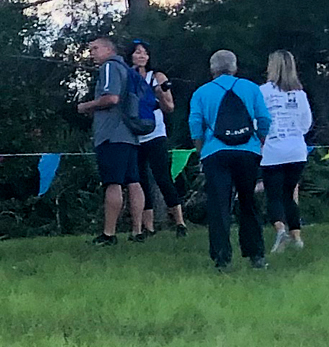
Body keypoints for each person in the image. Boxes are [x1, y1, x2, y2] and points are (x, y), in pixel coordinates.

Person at [186, 50, 273, 271]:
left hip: (215, 153)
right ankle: (256, 255)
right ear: (235, 68)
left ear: (212, 69)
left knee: (219, 205)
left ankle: (222, 258)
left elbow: (195, 126)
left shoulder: (201, 93)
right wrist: (258, 141)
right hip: (248, 151)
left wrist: (202, 151)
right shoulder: (251, 87)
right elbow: (264, 118)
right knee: (248, 203)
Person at [78, 36, 143, 246]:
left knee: (112, 183)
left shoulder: (109, 68)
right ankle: (137, 231)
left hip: (112, 135)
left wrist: (86, 106)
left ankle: (108, 234)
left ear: (108, 49)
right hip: (131, 134)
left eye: (95, 48)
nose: (92, 53)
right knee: (134, 182)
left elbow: (111, 98)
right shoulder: (128, 70)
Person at [127, 39, 187, 239]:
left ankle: (179, 222)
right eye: (137, 52)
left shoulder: (157, 77)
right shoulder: (127, 77)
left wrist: (159, 94)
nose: (141, 56)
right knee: (140, 181)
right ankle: (148, 227)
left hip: (156, 134)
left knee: (163, 177)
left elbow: (169, 107)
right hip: (134, 136)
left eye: (145, 52)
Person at [259, 51, 313, 253]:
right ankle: (297, 236)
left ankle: (280, 229)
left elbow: (259, 120)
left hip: (272, 150)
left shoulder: (263, 92)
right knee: (289, 194)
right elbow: (306, 124)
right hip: (296, 151)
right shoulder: (300, 94)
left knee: (273, 195)